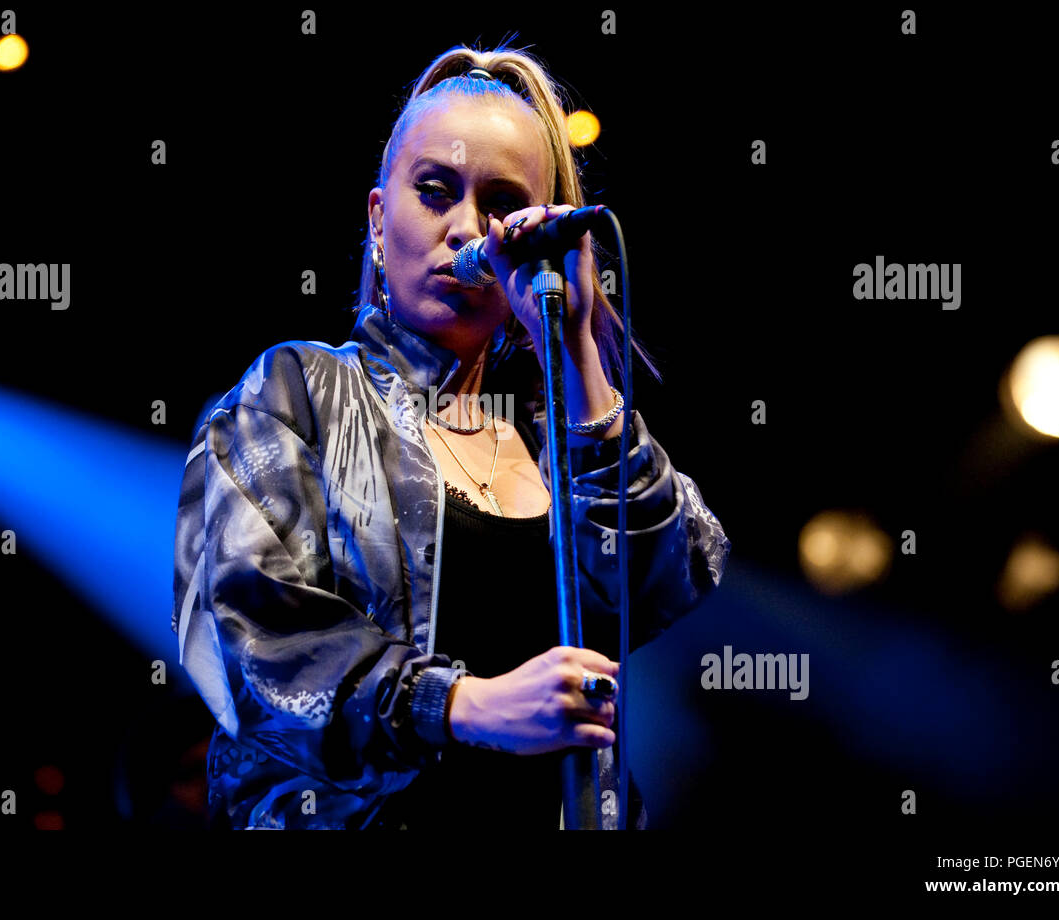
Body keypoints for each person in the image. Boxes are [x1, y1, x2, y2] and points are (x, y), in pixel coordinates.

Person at [171, 43, 730, 830]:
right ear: (377, 217)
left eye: (503, 206)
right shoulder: (297, 392)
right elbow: (246, 633)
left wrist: (572, 350)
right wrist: (465, 705)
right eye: (435, 191)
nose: (468, 230)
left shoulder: (551, 435)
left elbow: (669, 573)